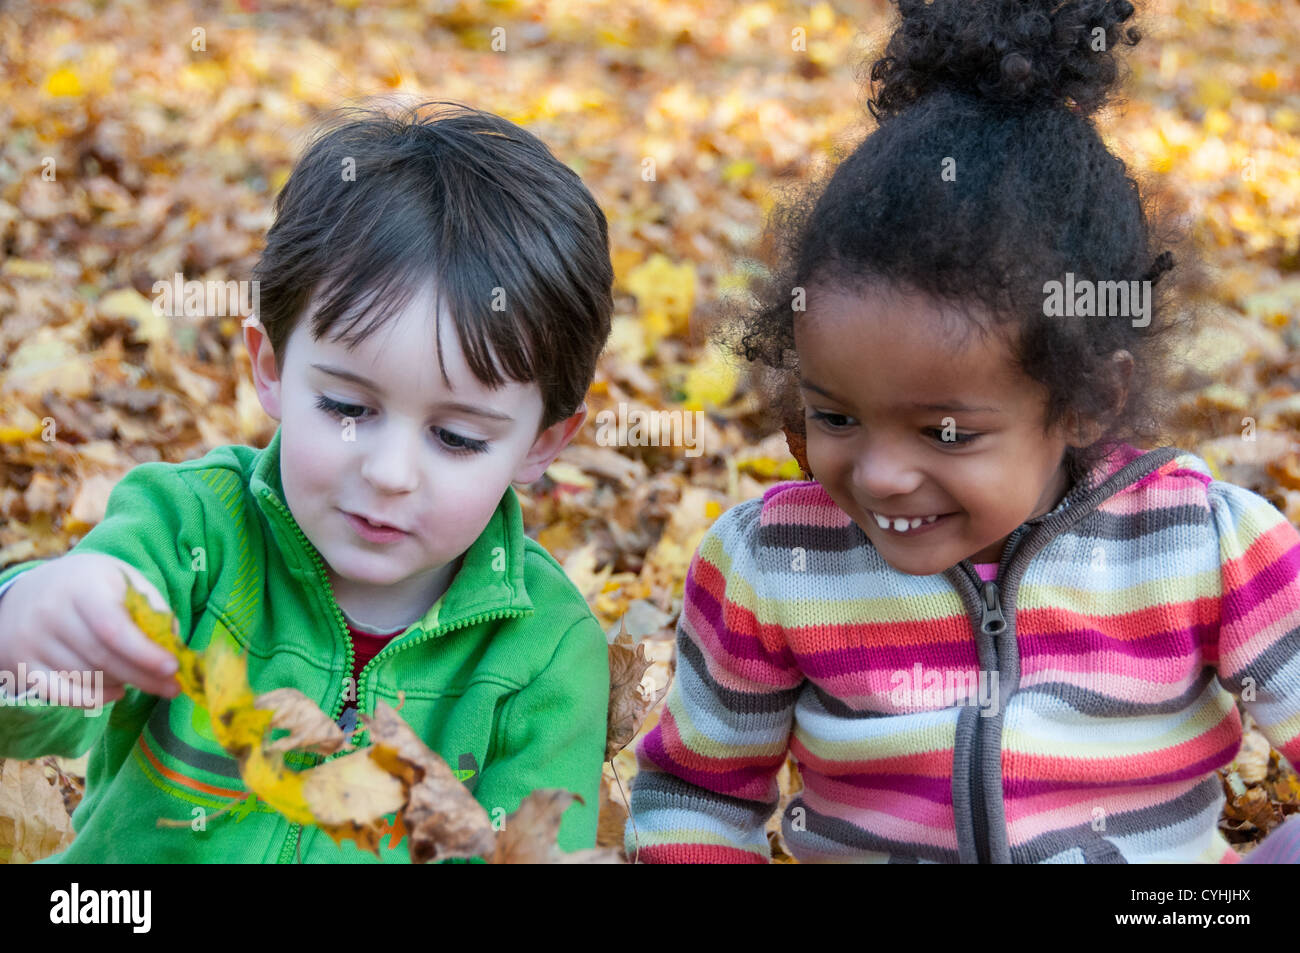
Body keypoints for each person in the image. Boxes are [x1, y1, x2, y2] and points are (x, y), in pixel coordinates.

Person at [625, 0, 1300, 863]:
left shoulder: (1204, 547)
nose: (880, 474)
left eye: (945, 433)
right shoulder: (775, 563)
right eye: (835, 415)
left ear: (1087, 399)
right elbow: (697, 792)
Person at [0, 100, 615, 862]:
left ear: (542, 443)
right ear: (271, 367)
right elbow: (32, 718)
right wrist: (29, 638)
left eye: (456, 436)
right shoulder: (189, 531)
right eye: (347, 406)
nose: (389, 473)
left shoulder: (547, 655)